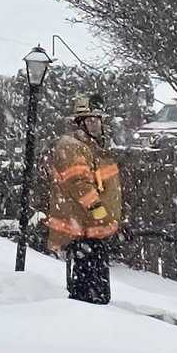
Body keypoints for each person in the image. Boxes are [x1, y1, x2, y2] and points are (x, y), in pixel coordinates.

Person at [48, 95, 121, 304]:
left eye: (98, 120)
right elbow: (78, 184)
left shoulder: (94, 147)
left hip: (94, 230)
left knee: (97, 285)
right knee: (88, 289)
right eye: (90, 121)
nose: (96, 125)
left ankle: (94, 307)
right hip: (84, 229)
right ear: (80, 124)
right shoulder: (73, 146)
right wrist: (99, 211)